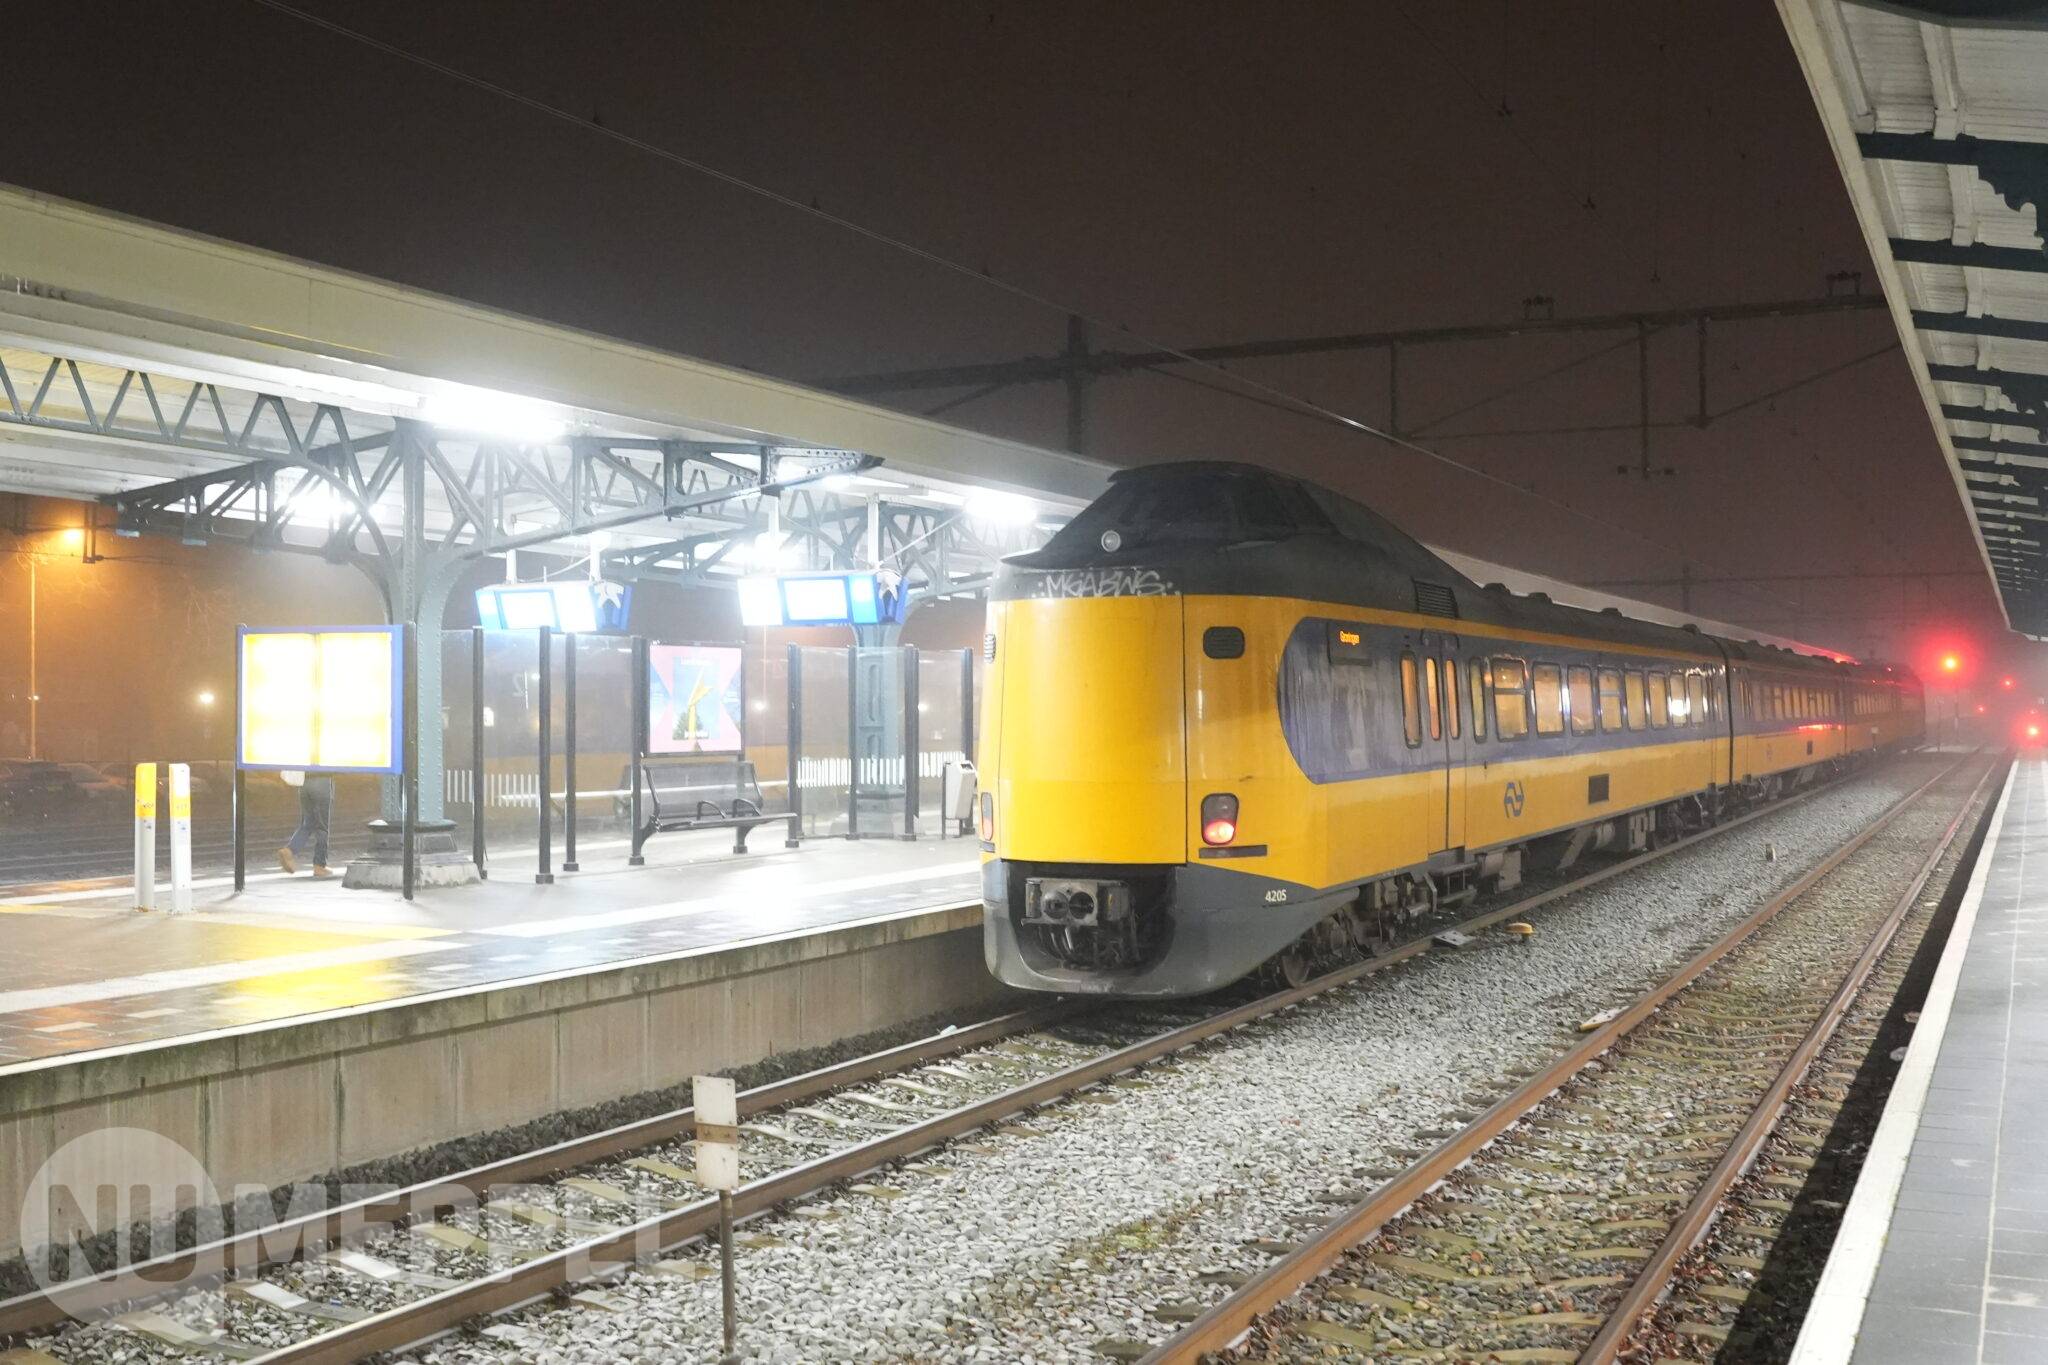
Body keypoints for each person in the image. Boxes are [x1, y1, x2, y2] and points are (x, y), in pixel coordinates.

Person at [277, 770, 336, 877]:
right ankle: (319, 866)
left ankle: (289, 850)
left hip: (304, 783)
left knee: (307, 824)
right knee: (322, 827)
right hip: (322, 780)